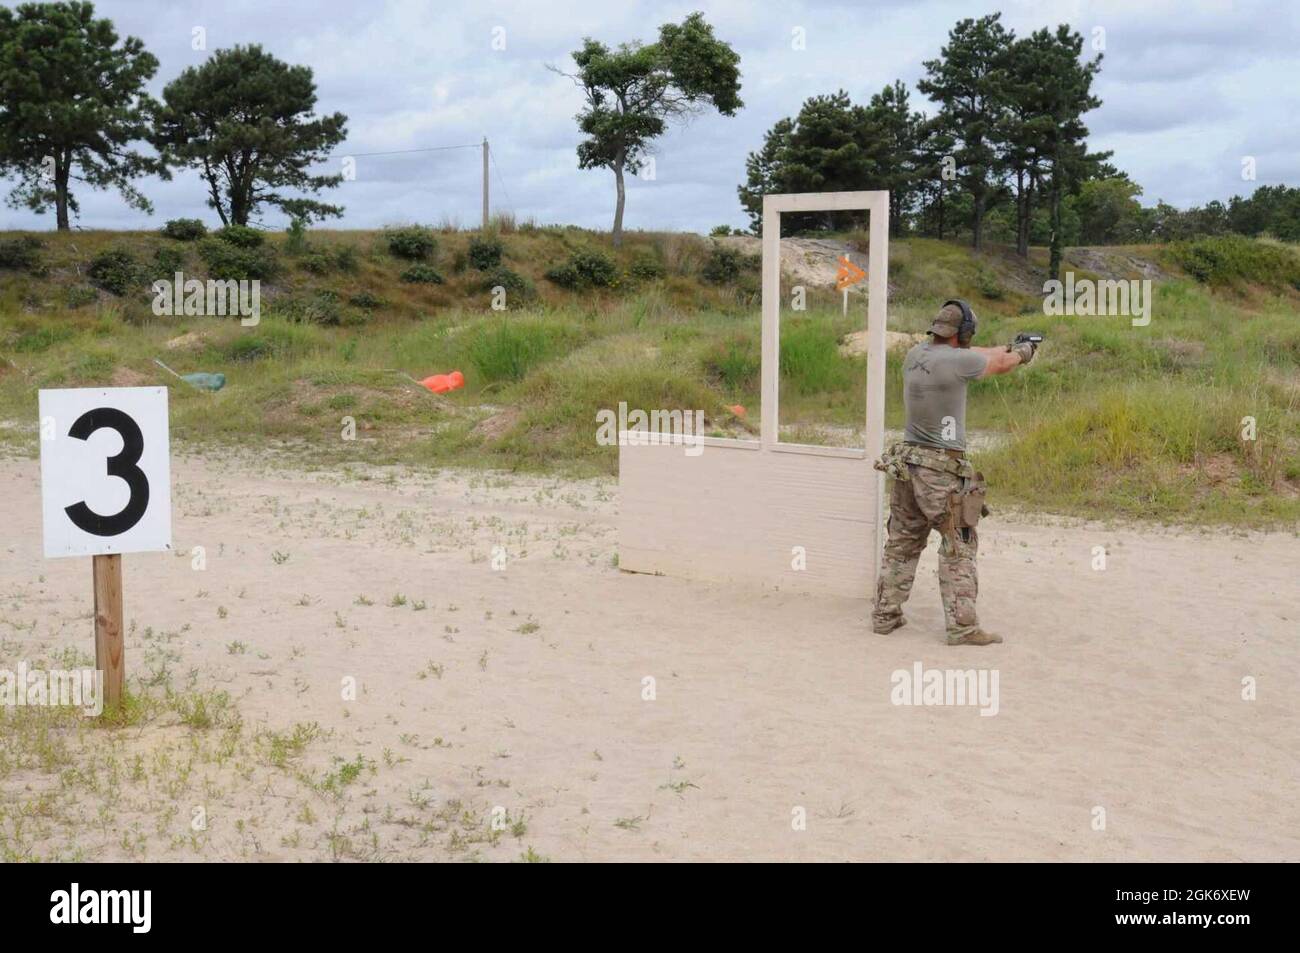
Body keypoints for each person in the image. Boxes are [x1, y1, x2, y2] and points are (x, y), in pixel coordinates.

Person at [872, 299, 1038, 645]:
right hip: (940, 469)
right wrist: (1024, 352)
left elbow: (980, 352)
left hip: (906, 465)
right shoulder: (959, 362)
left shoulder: (916, 355)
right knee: (958, 544)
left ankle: (886, 614)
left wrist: (1009, 343)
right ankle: (963, 627)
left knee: (902, 542)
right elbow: (1003, 365)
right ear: (961, 333)